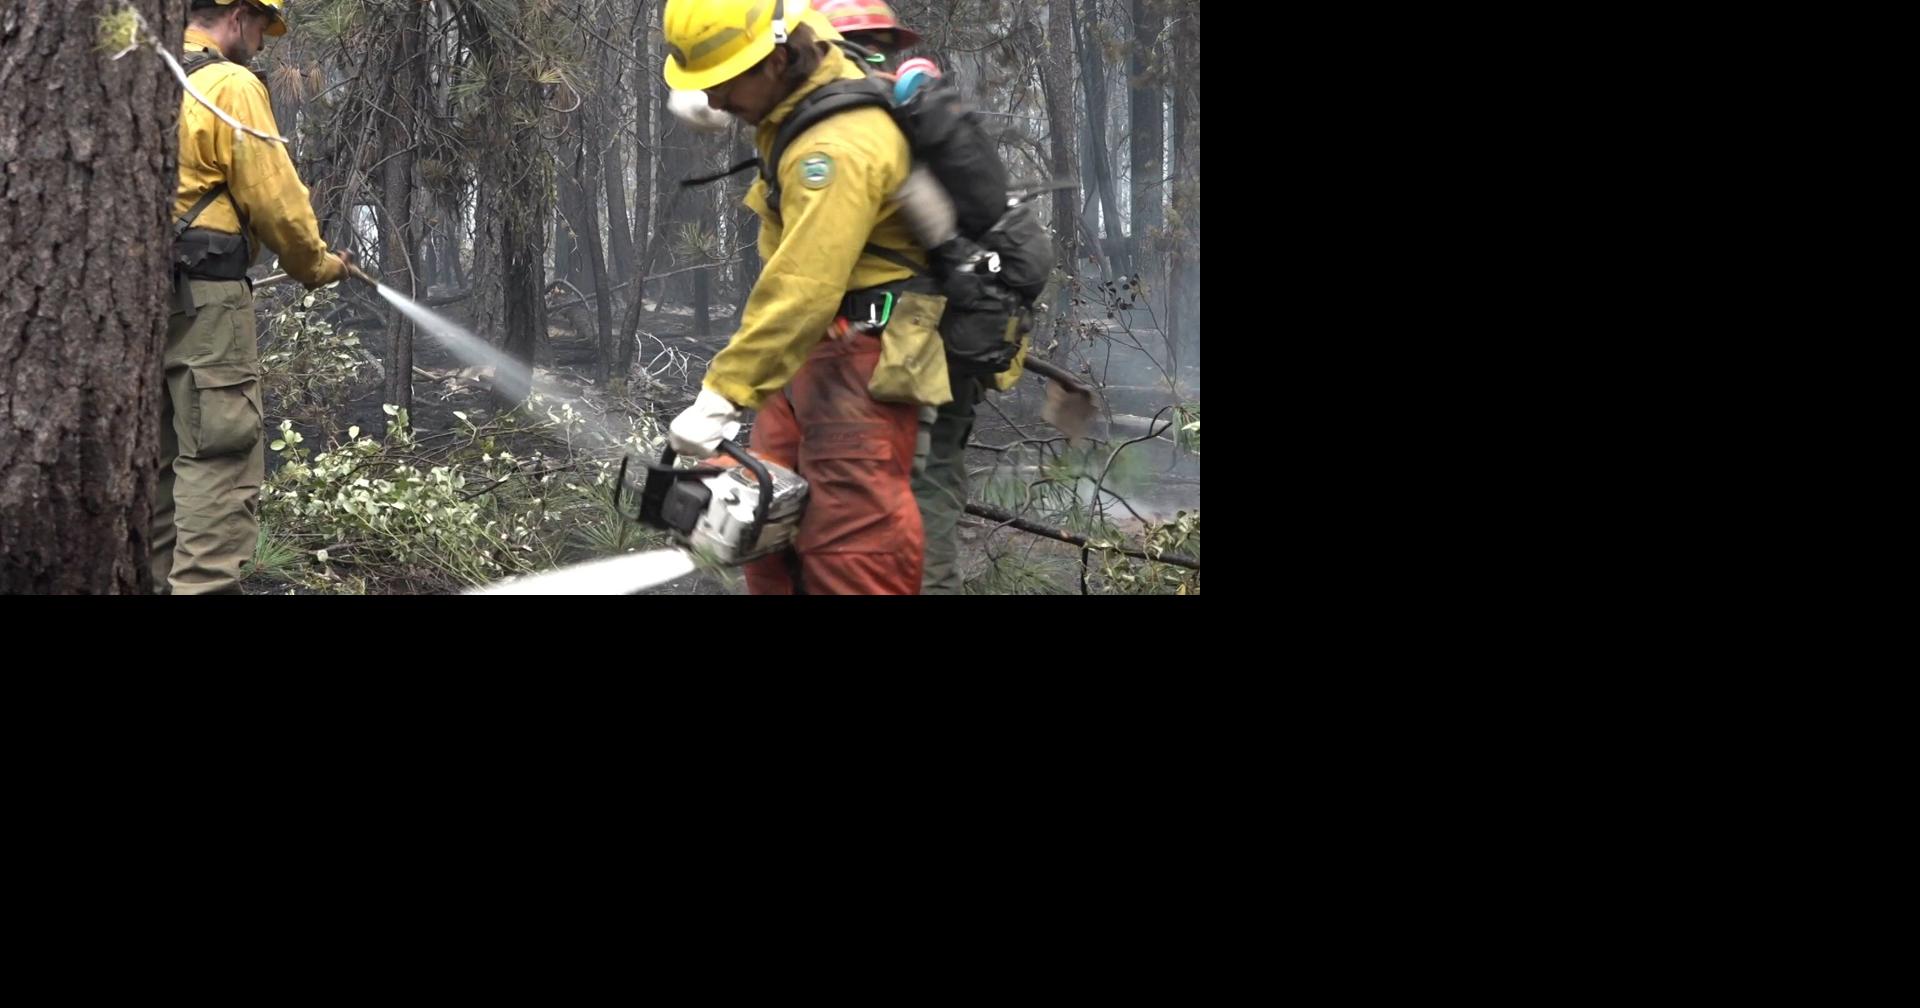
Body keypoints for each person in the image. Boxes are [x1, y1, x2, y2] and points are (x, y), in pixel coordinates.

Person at [662, 0, 951, 594]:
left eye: (724, 85)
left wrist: (723, 396)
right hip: (811, 355)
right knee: (763, 528)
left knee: (851, 550)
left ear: (775, 59)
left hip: (864, 356)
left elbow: (803, 287)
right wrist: (713, 85)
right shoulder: (800, 64)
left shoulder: (836, 148)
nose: (716, 102)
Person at [156, 0, 349, 594]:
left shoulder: (144, 74)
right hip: (207, 305)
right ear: (238, 15)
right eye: (264, 26)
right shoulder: (229, 83)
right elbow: (276, 201)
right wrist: (318, 264)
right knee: (219, 455)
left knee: (161, 461)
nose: (264, 43)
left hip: (141, 303)